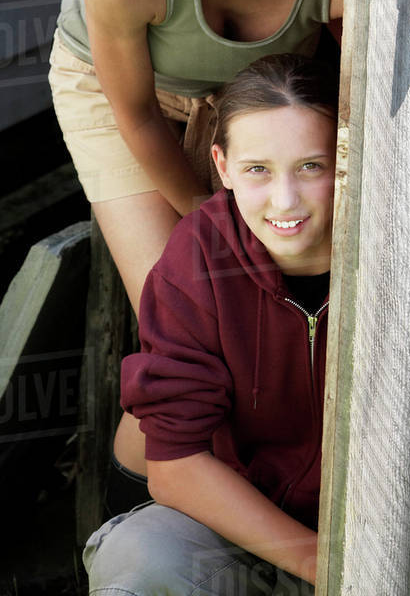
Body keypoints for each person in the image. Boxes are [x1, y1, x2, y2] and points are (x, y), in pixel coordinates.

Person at [49, 0, 346, 481]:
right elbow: (135, 114)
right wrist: (213, 226)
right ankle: (154, 487)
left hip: (253, 102)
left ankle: (279, 483)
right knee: (188, 303)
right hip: (121, 92)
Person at [83, 53, 337, 595]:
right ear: (222, 166)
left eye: (311, 166)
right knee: (137, 556)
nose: (285, 200)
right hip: (241, 528)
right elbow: (175, 464)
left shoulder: (398, 248)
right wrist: (324, 568)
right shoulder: (200, 254)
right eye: (257, 169)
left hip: (382, 525)